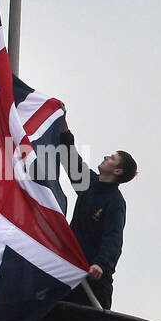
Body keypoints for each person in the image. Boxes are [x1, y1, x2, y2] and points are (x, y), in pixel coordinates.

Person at [59, 116, 136, 310]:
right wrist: (64, 129)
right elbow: (70, 160)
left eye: (111, 158)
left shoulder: (115, 203)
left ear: (118, 171)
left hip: (93, 283)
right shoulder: (89, 185)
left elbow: (113, 238)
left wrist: (100, 264)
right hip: (70, 273)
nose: (105, 157)